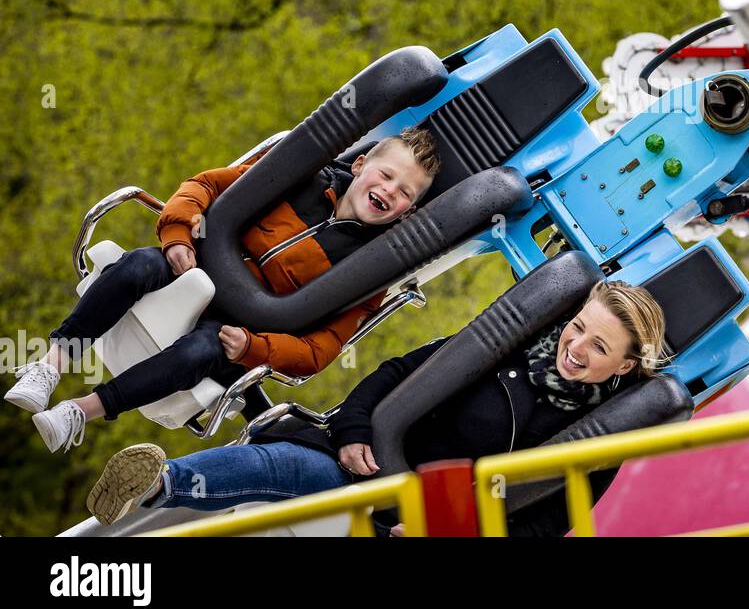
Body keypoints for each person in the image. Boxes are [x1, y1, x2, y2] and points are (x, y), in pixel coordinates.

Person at [85, 280, 669, 537]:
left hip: (431, 523)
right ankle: (155, 485)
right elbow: (396, 373)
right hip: (374, 466)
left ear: (622, 367)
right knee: (283, 464)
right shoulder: (502, 349)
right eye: (577, 328)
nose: (576, 348)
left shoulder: (601, 434)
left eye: (599, 348)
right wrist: (354, 429)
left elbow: (547, 524)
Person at [5, 126, 441, 453]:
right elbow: (207, 186)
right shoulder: (301, 179)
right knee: (138, 263)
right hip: (196, 269)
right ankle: (50, 366)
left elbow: (318, 350)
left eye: (404, 193)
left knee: (201, 351)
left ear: (409, 212)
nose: (388, 191)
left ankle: (79, 412)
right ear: (361, 164)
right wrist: (177, 233)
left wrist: (256, 347)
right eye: (385, 175)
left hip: (238, 329)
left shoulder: (370, 269)